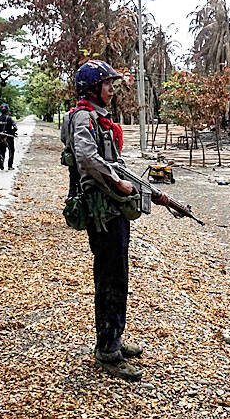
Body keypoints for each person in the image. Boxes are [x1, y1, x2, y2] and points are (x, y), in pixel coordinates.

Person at [60, 60, 144, 382]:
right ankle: (107, 351)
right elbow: (86, 158)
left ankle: (114, 339)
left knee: (118, 275)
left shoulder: (98, 118)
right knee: (110, 277)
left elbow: (107, 157)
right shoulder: (83, 117)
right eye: (108, 84)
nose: (112, 89)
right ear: (92, 88)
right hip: (102, 211)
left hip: (111, 209)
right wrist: (117, 182)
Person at [0, 103, 18, 171]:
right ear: (7, 110)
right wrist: (12, 132)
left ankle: (2, 158)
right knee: (11, 151)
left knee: (2, 150)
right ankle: (10, 166)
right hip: (9, 137)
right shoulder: (10, 118)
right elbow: (15, 127)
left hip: (1, 137)